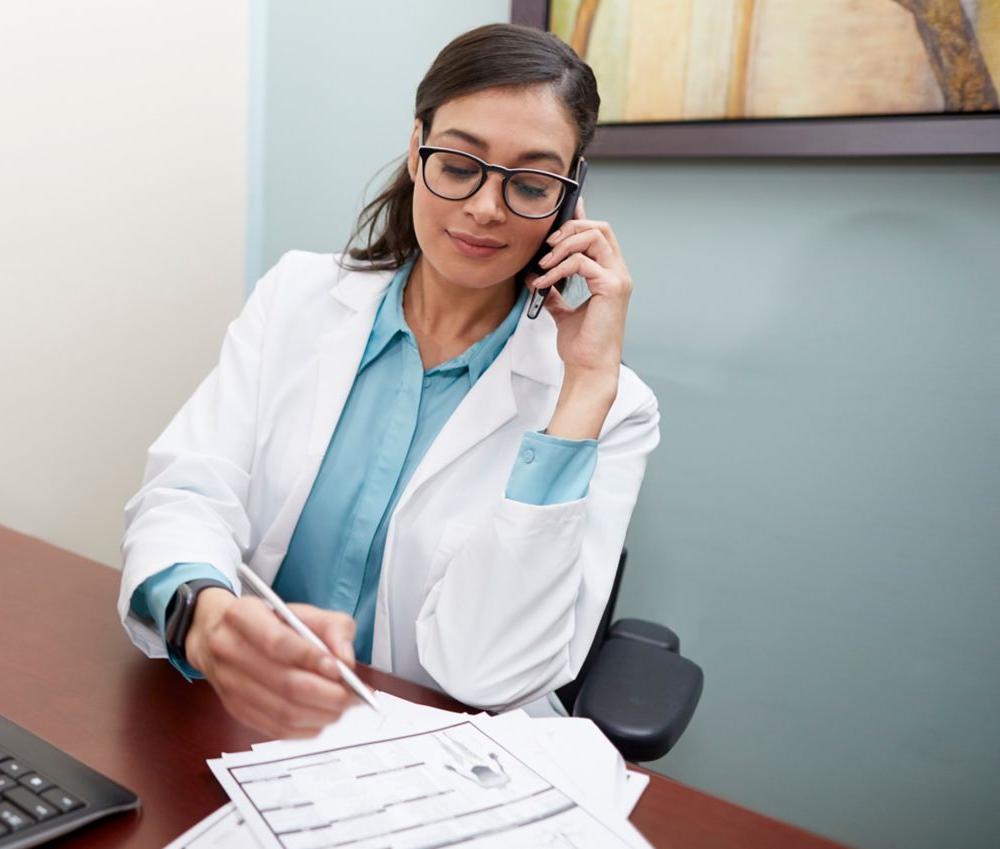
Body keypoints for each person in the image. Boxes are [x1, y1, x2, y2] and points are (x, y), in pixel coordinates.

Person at [117, 23, 659, 739]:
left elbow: (486, 674)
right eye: (459, 164)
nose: (486, 207)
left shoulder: (609, 407)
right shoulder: (296, 296)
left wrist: (586, 387)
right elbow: (187, 490)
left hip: (444, 754)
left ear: (569, 197)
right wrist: (203, 615)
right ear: (415, 149)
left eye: (530, 182)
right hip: (246, 723)